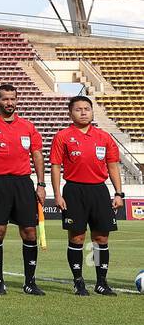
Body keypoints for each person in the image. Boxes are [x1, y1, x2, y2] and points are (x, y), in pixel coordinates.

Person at [0, 82, 47, 296]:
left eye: (13, 98)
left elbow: (37, 155)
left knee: (30, 232)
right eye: (5, 98)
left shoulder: (28, 126)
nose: (9, 102)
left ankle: (30, 282)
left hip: (23, 183)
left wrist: (41, 184)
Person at [50, 95, 125, 296]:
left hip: (99, 191)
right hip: (74, 191)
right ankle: (78, 281)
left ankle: (101, 282)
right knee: (77, 237)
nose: (83, 112)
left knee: (100, 238)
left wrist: (119, 193)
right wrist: (57, 194)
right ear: (70, 113)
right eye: (78, 109)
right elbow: (56, 166)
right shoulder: (63, 136)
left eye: (87, 109)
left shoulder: (104, 137)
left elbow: (112, 166)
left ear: (92, 112)